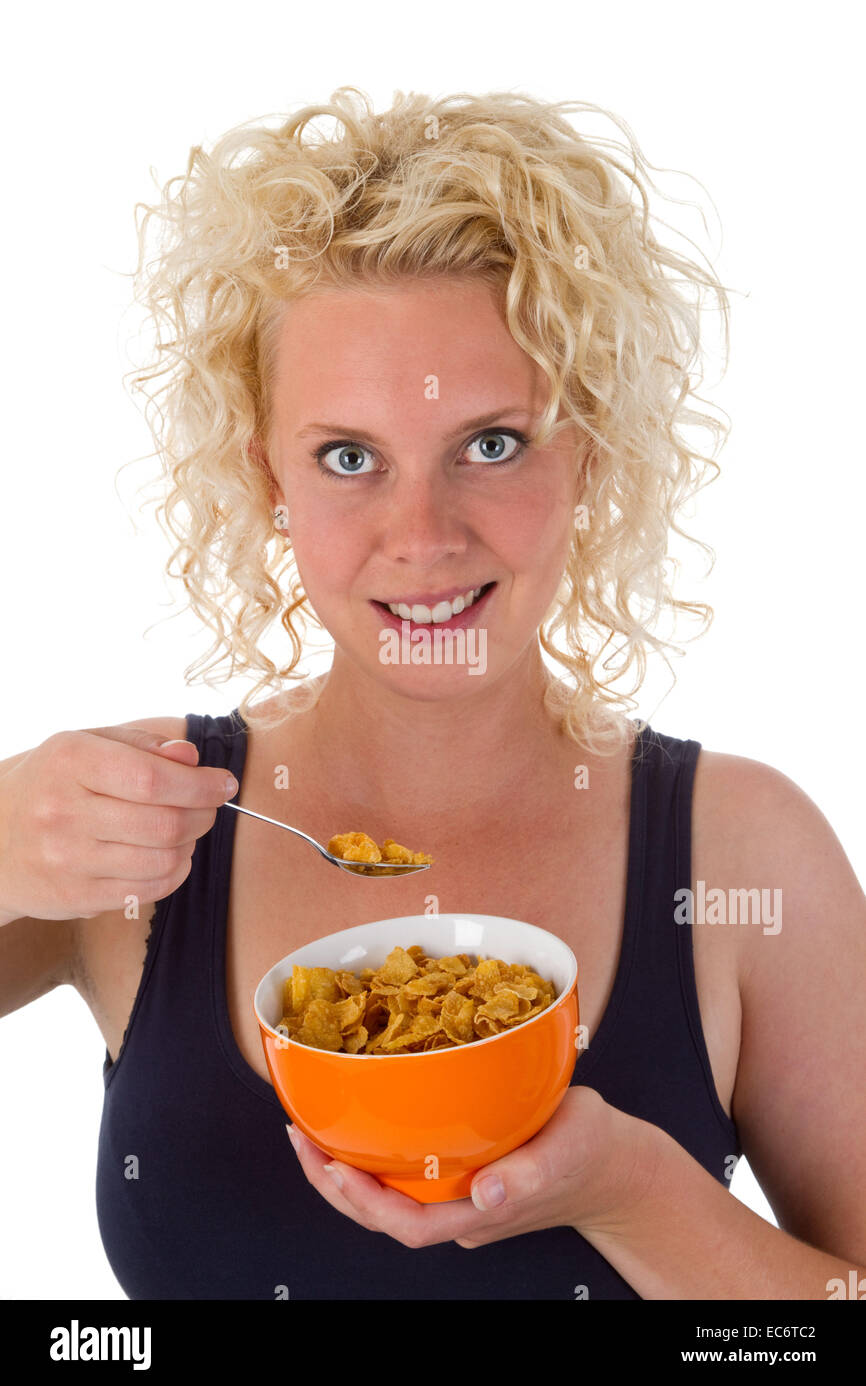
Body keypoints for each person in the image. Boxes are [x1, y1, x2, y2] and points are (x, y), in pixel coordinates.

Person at [1, 86, 863, 1301]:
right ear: (268, 483)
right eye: (347, 458)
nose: (422, 535)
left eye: (492, 443)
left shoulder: (745, 851)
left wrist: (635, 1194)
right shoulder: (140, 829)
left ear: (591, 449)